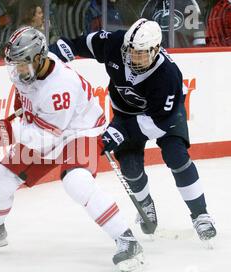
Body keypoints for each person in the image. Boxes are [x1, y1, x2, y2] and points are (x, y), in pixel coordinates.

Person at [0, 26, 145, 272]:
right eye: (14, 64)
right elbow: (26, 105)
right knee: (1, 178)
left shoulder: (60, 87)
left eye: (21, 64)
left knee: (76, 182)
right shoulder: (29, 70)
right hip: (48, 129)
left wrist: (6, 133)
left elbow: (45, 139)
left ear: (38, 58)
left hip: (80, 132)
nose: (17, 70)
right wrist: (10, 123)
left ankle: (126, 239)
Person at [49, 18, 216, 243]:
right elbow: (84, 44)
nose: (133, 57)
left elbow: (157, 123)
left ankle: (201, 214)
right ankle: (146, 205)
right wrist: (53, 54)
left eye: (141, 53)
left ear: (156, 50)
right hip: (125, 113)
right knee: (129, 167)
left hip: (164, 117)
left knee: (177, 157)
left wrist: (118, 131)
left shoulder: (168, 75)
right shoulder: (116, 42)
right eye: (130, 51)